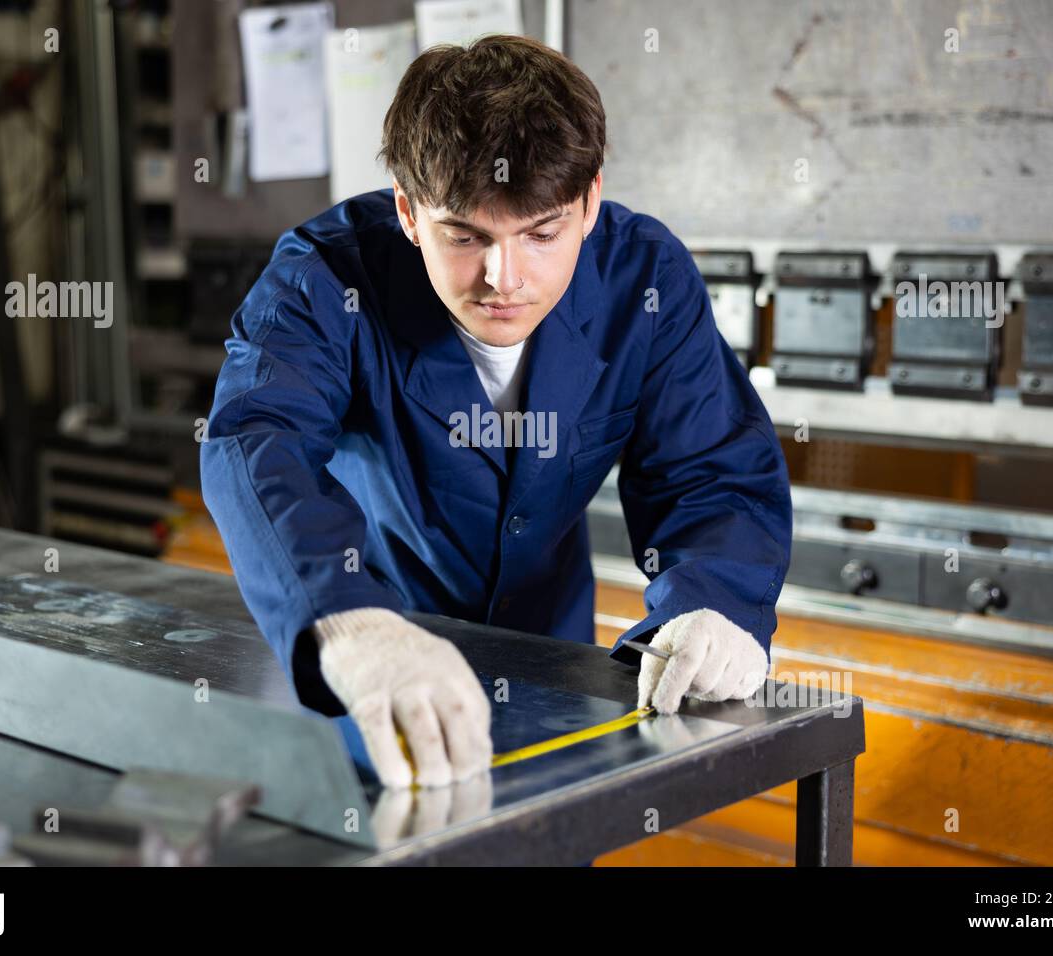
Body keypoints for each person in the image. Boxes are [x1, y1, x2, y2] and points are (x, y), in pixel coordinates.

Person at [200, 34, 792, 790]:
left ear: (590, 201)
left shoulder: (646, 279)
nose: (503, 278)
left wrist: (715, 598)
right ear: (408, 210)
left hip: (557, 670)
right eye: (465, 236)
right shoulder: (325, 276)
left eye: (541, 234)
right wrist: (346, 618)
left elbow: (710, 469)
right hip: (379, 656)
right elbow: (258, 439)